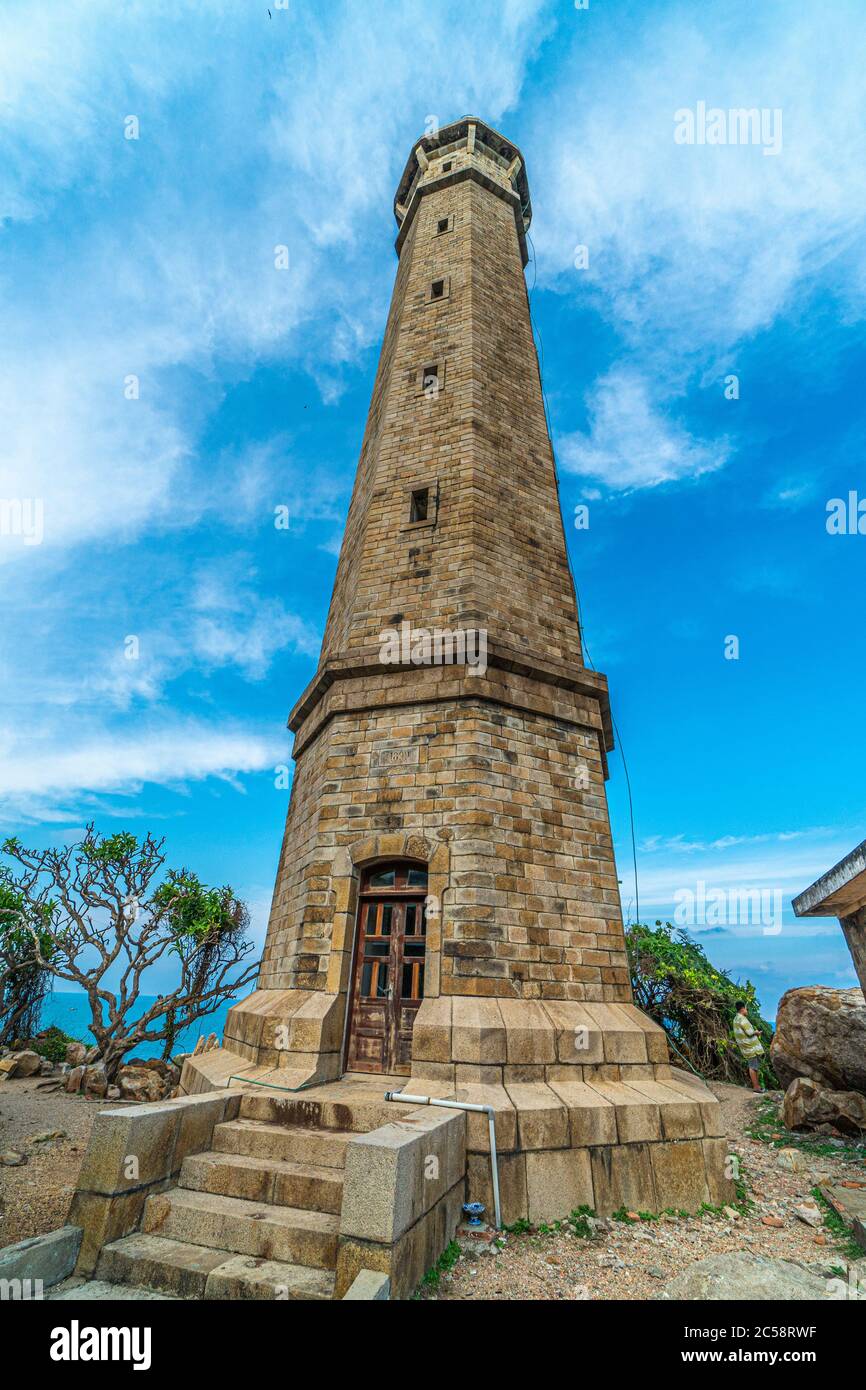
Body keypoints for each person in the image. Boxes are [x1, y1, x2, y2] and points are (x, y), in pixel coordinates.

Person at [733, 1000, 764, 1092]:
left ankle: (757, 1086)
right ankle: (756, 1087)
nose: (747, 1010)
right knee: (753, 1067)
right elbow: (750, 1033)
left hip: (746, 1047)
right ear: (743, 1009)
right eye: (746, 1008)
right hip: (751, 1047)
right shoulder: (742, 1019)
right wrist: (757, 1032)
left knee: (754, 1066)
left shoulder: (736, 1018)